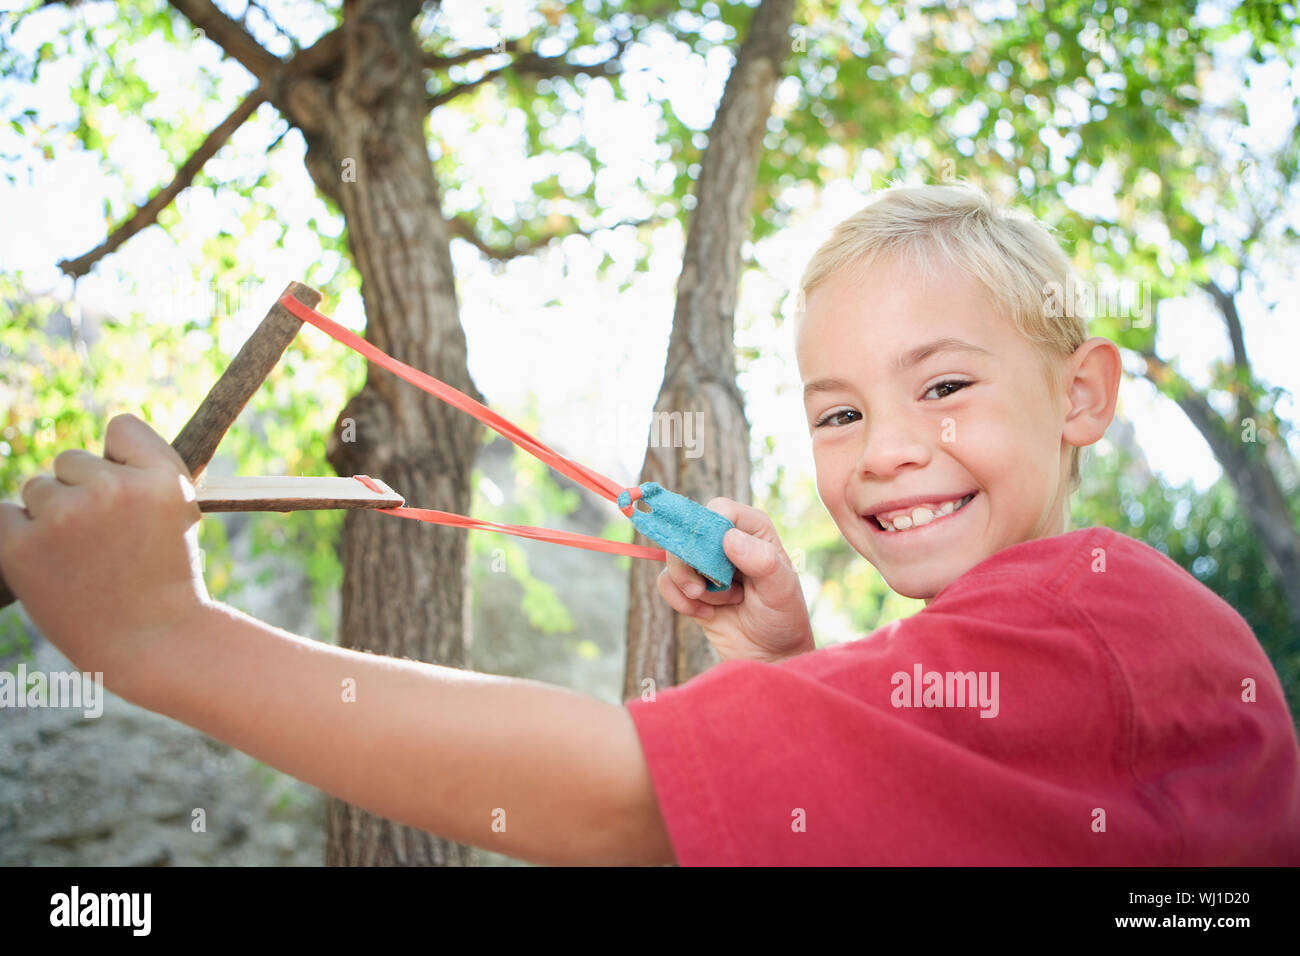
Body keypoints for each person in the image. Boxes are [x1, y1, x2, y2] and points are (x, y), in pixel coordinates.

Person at [2, 184, 1297, 865]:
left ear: (1083, 396)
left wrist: (165, 639)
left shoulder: (1090, 608)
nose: (886, 445)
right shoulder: (1072, 648)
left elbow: (625, 800)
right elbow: (920, 815)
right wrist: (783, 669)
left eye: (945, 386)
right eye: (835, 413)